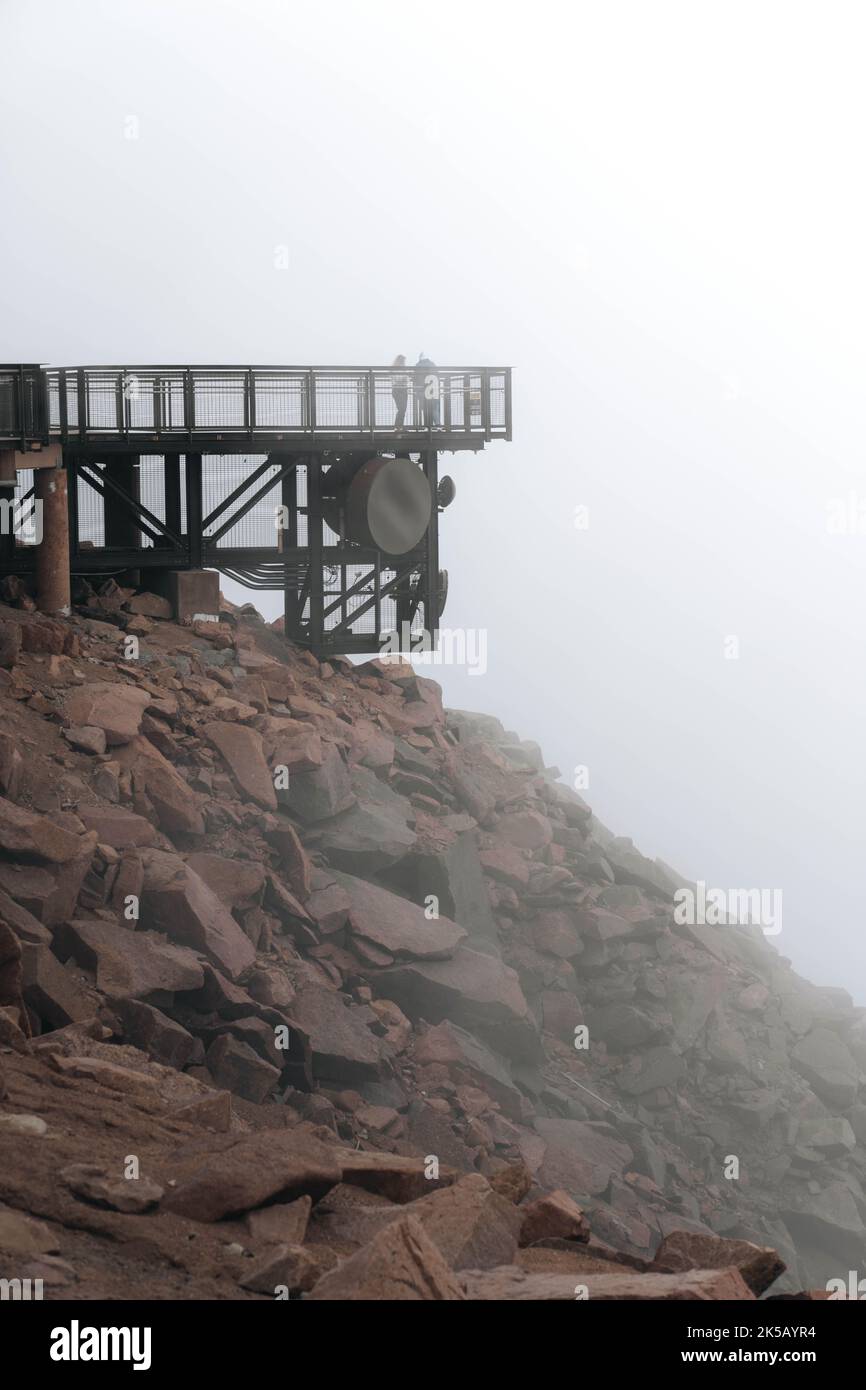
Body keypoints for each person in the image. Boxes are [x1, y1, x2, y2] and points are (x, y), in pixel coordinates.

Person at [415, 353, 440, 428]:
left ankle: (427, 426)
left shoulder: (418, 366)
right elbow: (437, 376)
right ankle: (437, 424)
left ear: (420, 358)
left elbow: (415, 378)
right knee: (434, 408)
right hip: (434, 390)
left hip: (422, 391)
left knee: (425, 408)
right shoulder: (433, 365)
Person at [391, 355, 408, 430]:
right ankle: (397, 426)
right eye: (403, 361)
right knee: (401, 408)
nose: (404, 362)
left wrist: (404, 378)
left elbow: (406, 379)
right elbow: (398, 379)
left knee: (403, 409)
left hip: (403, 389)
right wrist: (404, 378)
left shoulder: (402, 369)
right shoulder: (395, 369)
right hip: (398, 389)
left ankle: (399, 426)